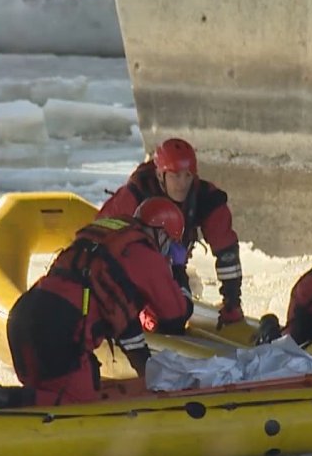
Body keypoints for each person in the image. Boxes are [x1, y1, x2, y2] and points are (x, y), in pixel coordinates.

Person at [0, 197, 193, 408]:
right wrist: (178, 270)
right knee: (77, 405)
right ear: (162, 235)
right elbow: (175, 315)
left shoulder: (108, 234)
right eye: (172, 245)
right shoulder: (145, 255)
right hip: (58, 329)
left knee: (54, 391)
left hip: (26, 313)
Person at [97, 138, 244, 329]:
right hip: (133, 267)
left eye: (187, 175)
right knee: (168, 317)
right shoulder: (134, 196)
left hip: (173, 266)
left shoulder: (207, 199)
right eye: (175, 176)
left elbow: (227, 250)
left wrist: (232, 302)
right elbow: (100, 239)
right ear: (160, 175)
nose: (182, 183)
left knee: (175, 317)